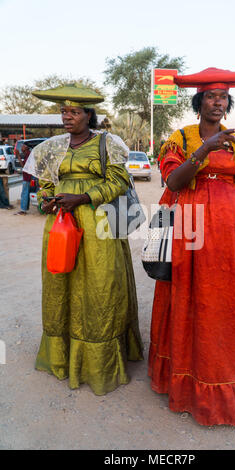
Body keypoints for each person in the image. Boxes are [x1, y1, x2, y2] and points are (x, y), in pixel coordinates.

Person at [148, 68, 235, 426]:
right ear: (199, 103)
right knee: (188, 297)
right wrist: (205, 149)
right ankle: (184, 380)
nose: (217, 102)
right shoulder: (180, 139)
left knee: (226, 303)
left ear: (228, 104)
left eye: (223, 97)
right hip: (190, 229)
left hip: (228, 234)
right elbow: (173, 180)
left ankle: (223, 379)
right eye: (211, 97)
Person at [24, 84, 143, 395]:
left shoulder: (108, 143)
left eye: (74, 112)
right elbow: (46, 184)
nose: (67, 117)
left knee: (100, 285)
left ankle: (99, 361)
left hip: (98, 224)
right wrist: (47, 200)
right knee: (60, 283)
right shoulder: (52, 148)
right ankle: (61, 357)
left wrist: (84, 197)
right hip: (60, 225)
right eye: (64, 111)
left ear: (89, 116)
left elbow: (118, 181)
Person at [15, 143, 31, 215]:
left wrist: (18, 156)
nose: (21, 147)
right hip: (27, 176)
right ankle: (24, 208)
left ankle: (23, 210)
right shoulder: (27, 155)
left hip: (28, 177)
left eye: (23, 146)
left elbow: (24, 166)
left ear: (26, 147)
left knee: (24, 193)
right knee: (26, 193)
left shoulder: (28, 155)